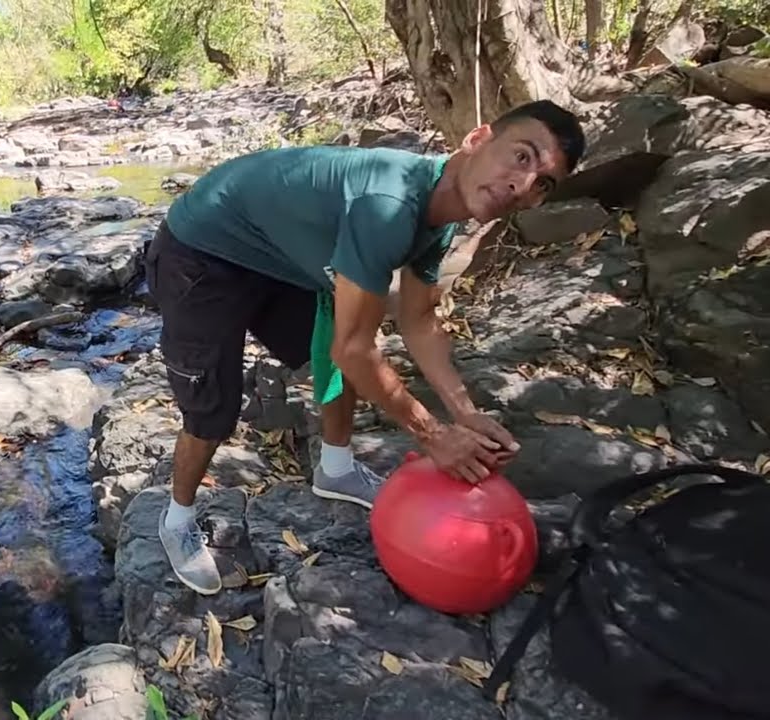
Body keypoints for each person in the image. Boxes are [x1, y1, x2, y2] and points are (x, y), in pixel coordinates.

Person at [142, 100, 586, 595]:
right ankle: (177, 520)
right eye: (521, 157)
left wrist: (465, 413)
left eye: (543, 183)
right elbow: (355, 352)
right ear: (477, 139)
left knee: (338, 332)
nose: (521, 185)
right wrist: (432, 433)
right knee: (212, 412)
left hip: (277, 255)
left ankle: (335, 469)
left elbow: (419, 319)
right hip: (201, 251)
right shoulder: (390, 204)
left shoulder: (442, 216)